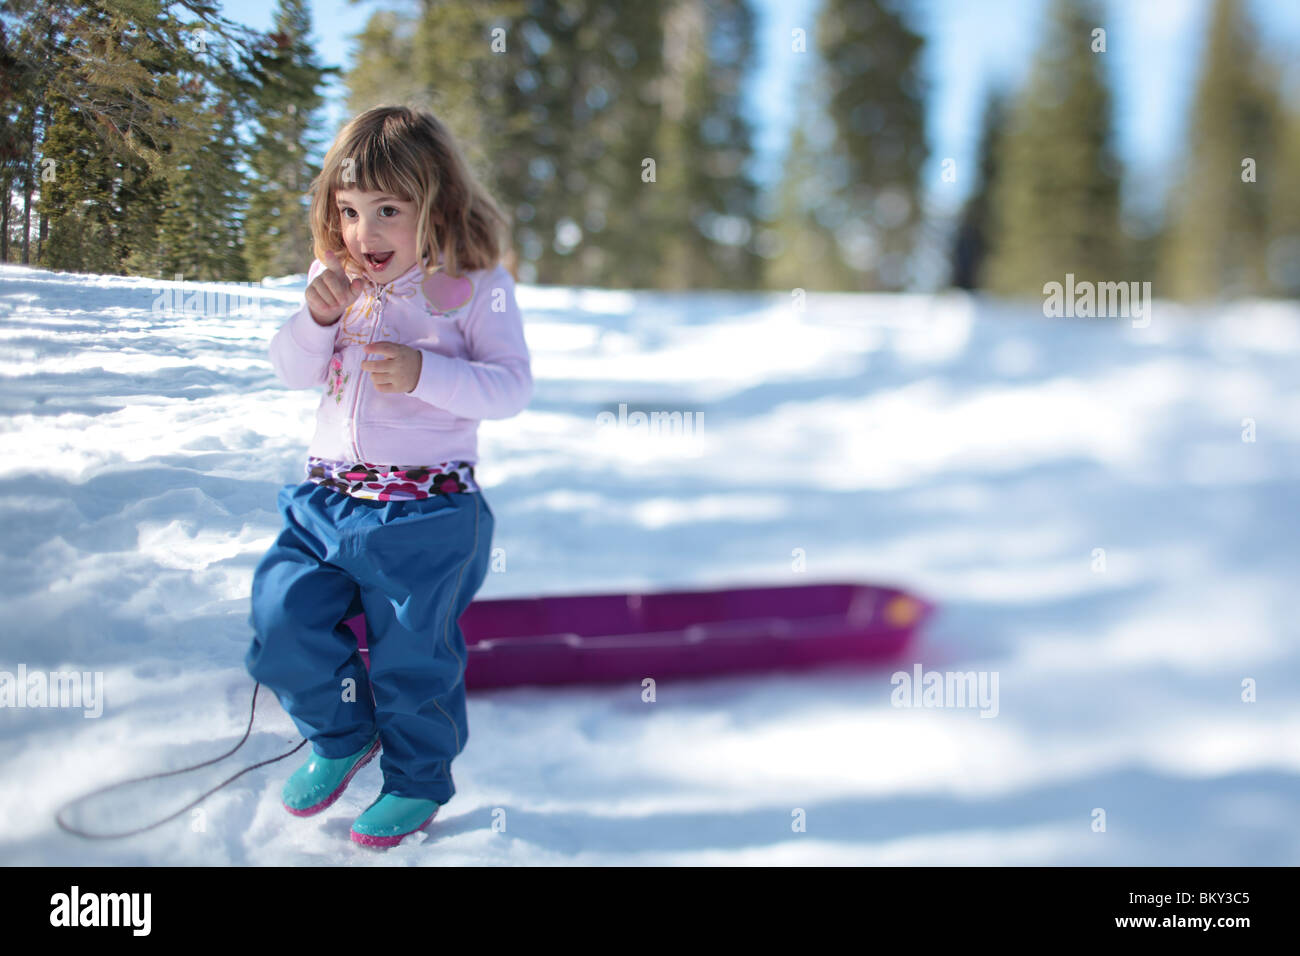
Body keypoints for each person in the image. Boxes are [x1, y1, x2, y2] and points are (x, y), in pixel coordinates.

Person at [245, 105, 532, 848]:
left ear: (436, 204)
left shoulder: (473, 285)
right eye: (347, 211)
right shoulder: (334, 279)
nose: (362, 234)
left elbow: (509, 388)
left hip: (428, 516)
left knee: (411, 660)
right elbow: (289, 372)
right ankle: (340, 735)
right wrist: (312, 319)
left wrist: (425, 373)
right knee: (280, 619)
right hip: (327, 502)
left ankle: (415, 781)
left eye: (387, 211)